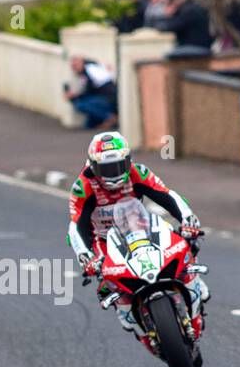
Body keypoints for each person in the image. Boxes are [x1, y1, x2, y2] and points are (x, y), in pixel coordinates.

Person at [66, 132, 207, 345]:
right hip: (104, 239)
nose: (113, 174)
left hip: (141, 227)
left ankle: (191, 280)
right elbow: (76, 226)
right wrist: (86, 256)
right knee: (105, 278)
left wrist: (188, 219)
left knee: (182, 239)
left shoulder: (138, 172)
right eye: (106, 168)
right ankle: (127, 311)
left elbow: (167, 196)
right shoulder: (82, 186)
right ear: (93, 166)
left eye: (118, 166)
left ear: (128, 160)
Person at [65, 57, 118, 130]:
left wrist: (75, 95)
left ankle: (110, 117)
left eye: (75, 65)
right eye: (72, 66)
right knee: (88, 125)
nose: (74, 68)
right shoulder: (84, 73)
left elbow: (89, 88)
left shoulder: (91, 69)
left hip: (108, 99)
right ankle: (105, 118)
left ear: (82, 63)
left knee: (80, 105)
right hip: (101, 97)